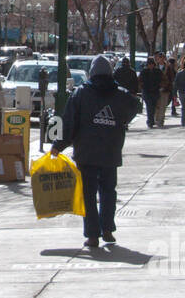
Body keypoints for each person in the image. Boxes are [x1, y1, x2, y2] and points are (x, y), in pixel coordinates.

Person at [52, 55, 143, 249]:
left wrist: (58, 145)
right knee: (109, 191)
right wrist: (121, 120)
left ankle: (92, 235)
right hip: (111, 150)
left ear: (92, 72)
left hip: (86, 152)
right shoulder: (120, 94)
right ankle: (107, 229)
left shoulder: (80, 94)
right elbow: (136, 105)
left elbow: (69, 123)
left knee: (88, 194)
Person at [138, 55, 163, 128]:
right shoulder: (144, 71)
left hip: (155, 91)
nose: (150, 66)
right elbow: (139, 80)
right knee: (149, 107)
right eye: (149, 64)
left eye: (152, 64)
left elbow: (163, 80)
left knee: (154, 107)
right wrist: (142, 87)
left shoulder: (158, 71)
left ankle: (151, 120)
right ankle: (150, 121)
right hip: (147, 92)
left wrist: (160, 86)